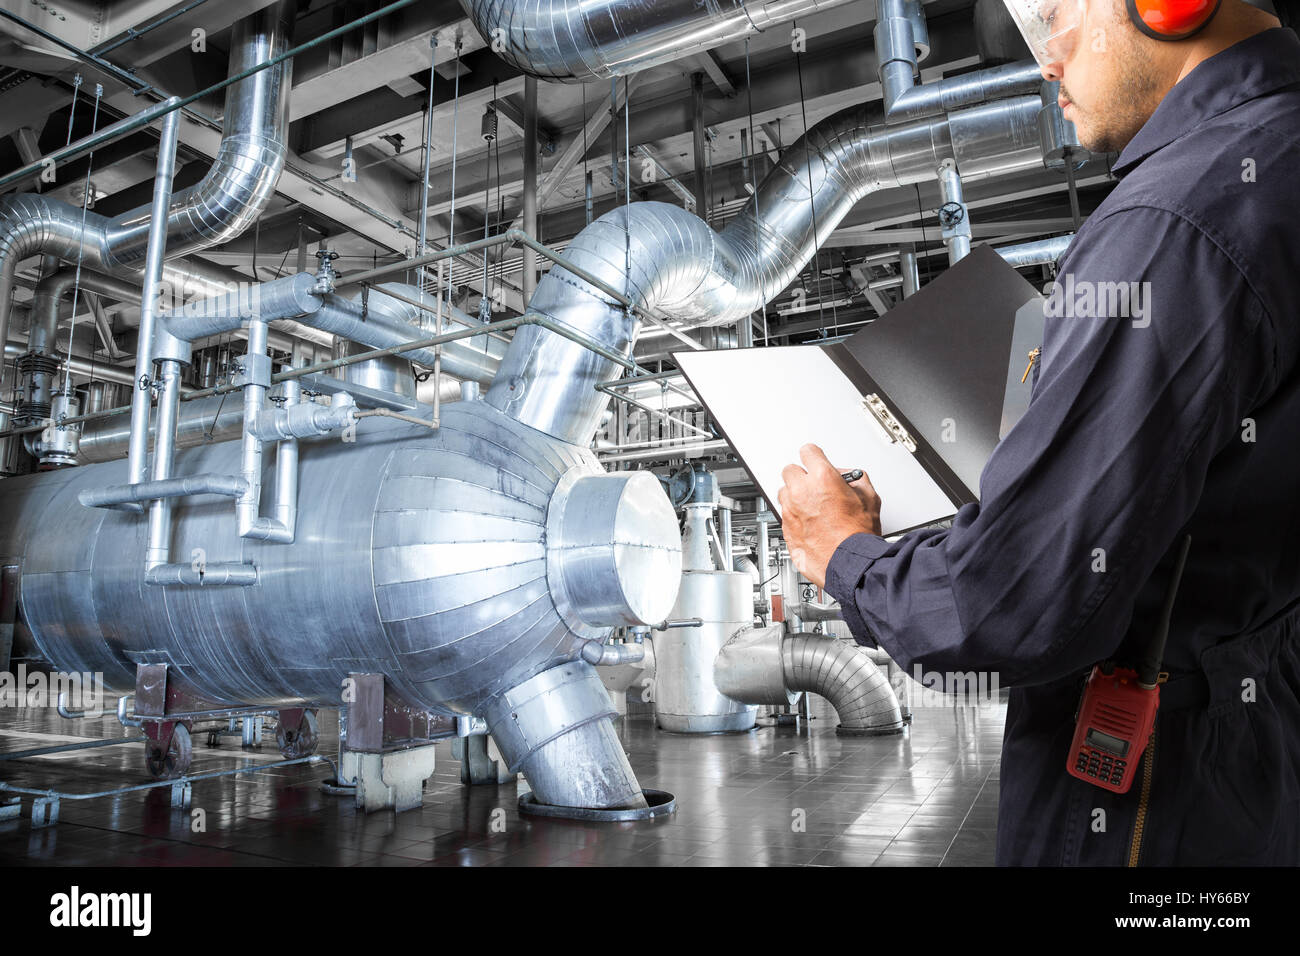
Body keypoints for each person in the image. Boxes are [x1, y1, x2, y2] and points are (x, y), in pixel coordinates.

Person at [777, 0, 1300, 865]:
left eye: (1056, 17)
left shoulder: (1169, 225)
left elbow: (1008, 608)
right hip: (1253, 747)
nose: (1046, 62)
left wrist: (844, 552)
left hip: (1152, 792)